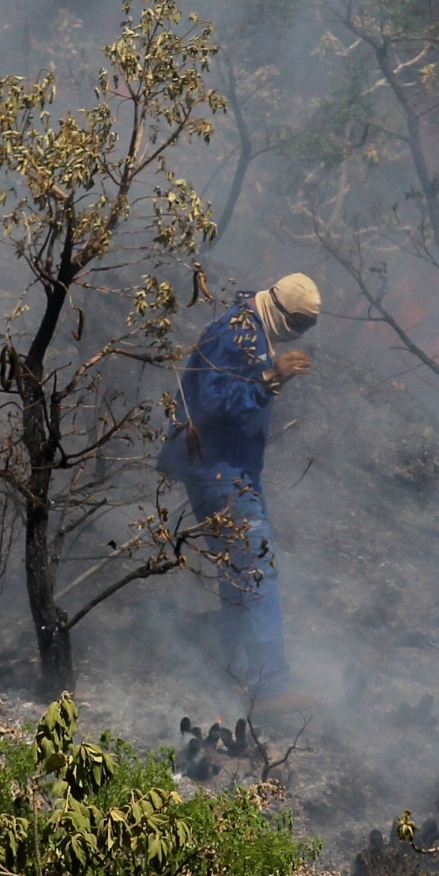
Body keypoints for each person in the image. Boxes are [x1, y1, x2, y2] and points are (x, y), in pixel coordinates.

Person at [159, 272, 321, 725]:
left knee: (237, 579)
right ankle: (270, 688)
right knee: (258, 571)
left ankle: (231, 677)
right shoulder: (236, 333)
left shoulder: (251, 327)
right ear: (282, 311)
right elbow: (209, 406)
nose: (301, 335)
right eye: (300, 325)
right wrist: (270, 377)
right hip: (219, 472)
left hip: (234, 471)